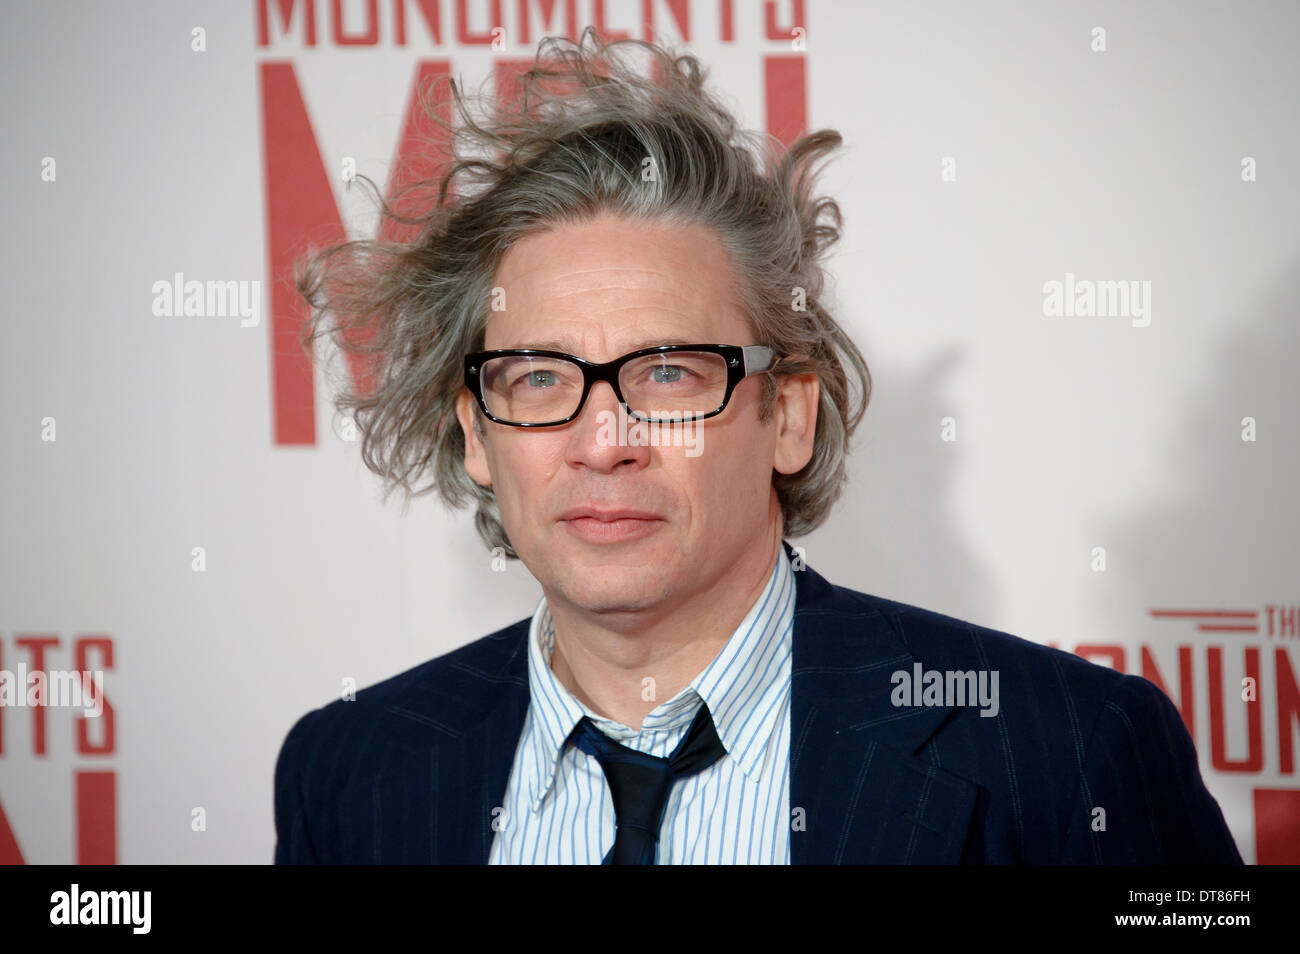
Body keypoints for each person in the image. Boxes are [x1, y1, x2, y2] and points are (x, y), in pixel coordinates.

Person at [273, 30, 1241, 864]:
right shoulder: (351, 768)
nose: (602, 443)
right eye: (537, 379)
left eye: (667, 374)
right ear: (476, 435)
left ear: (786, 415)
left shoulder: (1066, 747)